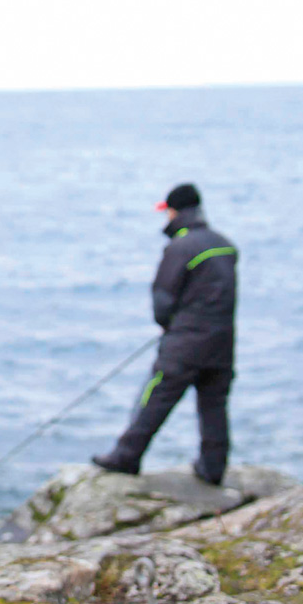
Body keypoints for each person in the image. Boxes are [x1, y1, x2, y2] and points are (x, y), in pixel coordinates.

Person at [92, 183, 237, 485]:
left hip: (185, 342)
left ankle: (126, 456)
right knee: (214, 405)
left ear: (174, 211)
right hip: (222, 342)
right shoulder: (225, 244)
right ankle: (213, 468)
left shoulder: (180, 247)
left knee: (155, 397)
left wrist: (169, 324)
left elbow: (163, 299)